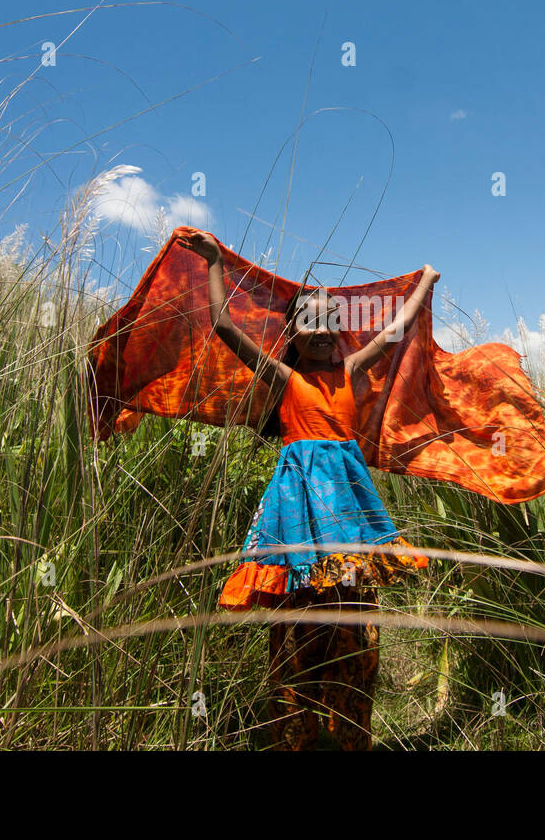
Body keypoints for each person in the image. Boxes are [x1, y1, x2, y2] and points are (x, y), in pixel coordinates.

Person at [176, 228, 438, 750]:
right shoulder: (283, 379)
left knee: (352, 617)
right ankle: (294, 734)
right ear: (292, 334)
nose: (320, 332)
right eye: (308, 323)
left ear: (338, 332)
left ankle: (347, 733)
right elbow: (223, 324)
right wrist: (213, 263)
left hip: (346, 519)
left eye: (328, 324)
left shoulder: (351, 370)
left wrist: (425, 284)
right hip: (295, 518)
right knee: (296, 621)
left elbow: (394, 332)